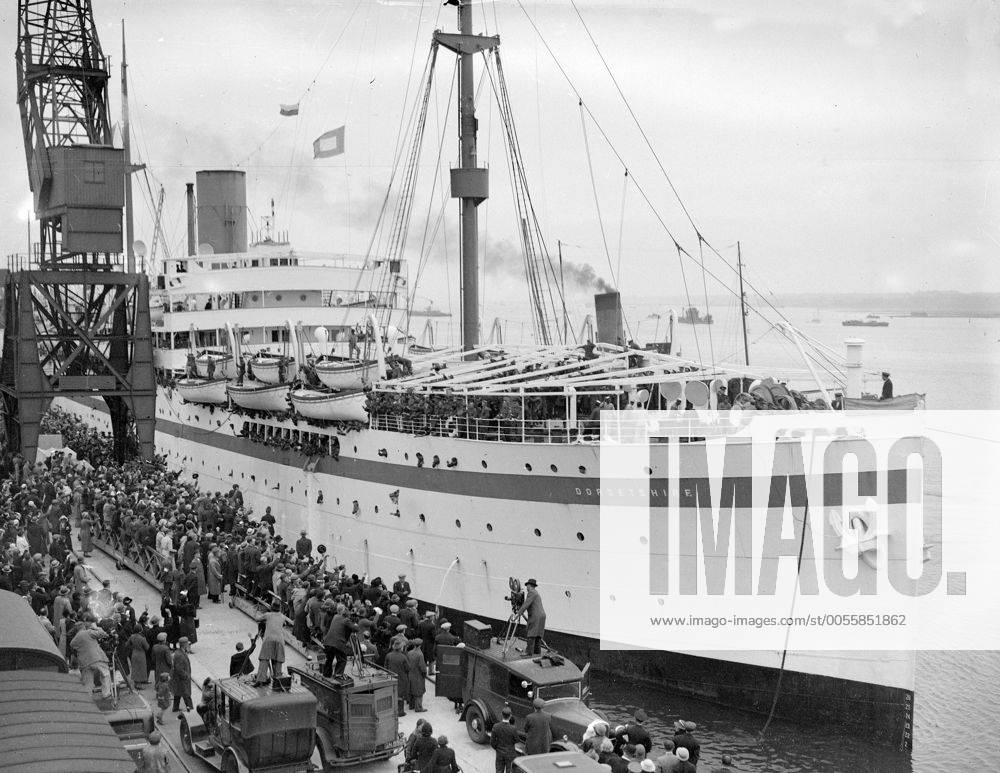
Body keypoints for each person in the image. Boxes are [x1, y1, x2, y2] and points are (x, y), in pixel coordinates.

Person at [71, 619, 113, 701]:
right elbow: (103, 634)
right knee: (105, 674)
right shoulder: (88, 632)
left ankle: (87, 699)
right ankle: (106, 694)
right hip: (96, 658)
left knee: (88, 682)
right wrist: (96, 627)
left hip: (84, 662)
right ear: (83, 627)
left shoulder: (74, 640)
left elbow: (73, 646)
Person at [322, 603, 358, 678]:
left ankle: (326, 675)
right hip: (337, 644)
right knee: (342, 660)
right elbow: (356, 629)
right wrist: (354, 624)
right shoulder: (346, 620)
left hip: (328, 642)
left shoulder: (335, 617)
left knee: (329, 659)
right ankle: (338, 676)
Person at [254, 601, 286, 684]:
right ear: (280, 608)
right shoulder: (282, 617)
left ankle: (260, 680)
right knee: (278, 660)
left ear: (272, 607)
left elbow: (257, 619)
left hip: (268, 640)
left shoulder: (267, 615)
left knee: (264, 659)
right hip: (280, 640)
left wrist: (256, 612)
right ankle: (278, 680)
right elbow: (284, 624)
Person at [516, 578, 546, 655]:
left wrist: (518, 614)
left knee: (531, 632)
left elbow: (526, 604)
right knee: (538, 634)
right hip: (542, 616)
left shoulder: (531, 592)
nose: (526, 588)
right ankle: (537, 651)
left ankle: (528, 652)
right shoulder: (536, 593)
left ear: (530, 586)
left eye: (527, 586)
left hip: (535, 616)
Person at [384, 640, 410, 717]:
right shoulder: (403, 657)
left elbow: (385, 667)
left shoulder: (388, 655)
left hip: (391, 678)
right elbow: (408, 668)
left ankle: (392, 710)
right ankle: (400, 711)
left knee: (392, 694)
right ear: (400, 647)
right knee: (400, 695)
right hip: (401, 678)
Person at [491, 706, 518, 773]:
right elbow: (517, 740)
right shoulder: (513, 728)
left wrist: (497, 748)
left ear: (501, 714)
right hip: (510, 753)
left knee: (499, 770)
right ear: (510, 716)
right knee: (510, 770)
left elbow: (492, 742)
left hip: (500, 753)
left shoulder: (496, 726)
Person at [170, 637, 193, 711]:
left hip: (179, 679)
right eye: (188, 644)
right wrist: (186, 676)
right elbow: (179, 669)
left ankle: (175, 708)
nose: (189, 646)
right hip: (182, 679)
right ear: (185, 645)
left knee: (178, 693)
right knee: (187, 695)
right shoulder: (180, 655)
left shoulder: (180, 652)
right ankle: (191, 710)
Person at [406, 640, 428, 711]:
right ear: (420, 645)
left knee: (411, 690)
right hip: (418, 675)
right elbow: (422, 667)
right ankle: (418, 707)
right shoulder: (420, 654)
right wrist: (424, 674)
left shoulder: (409, 653)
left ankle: (411, 706)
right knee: (419, 691)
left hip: (410, 674)